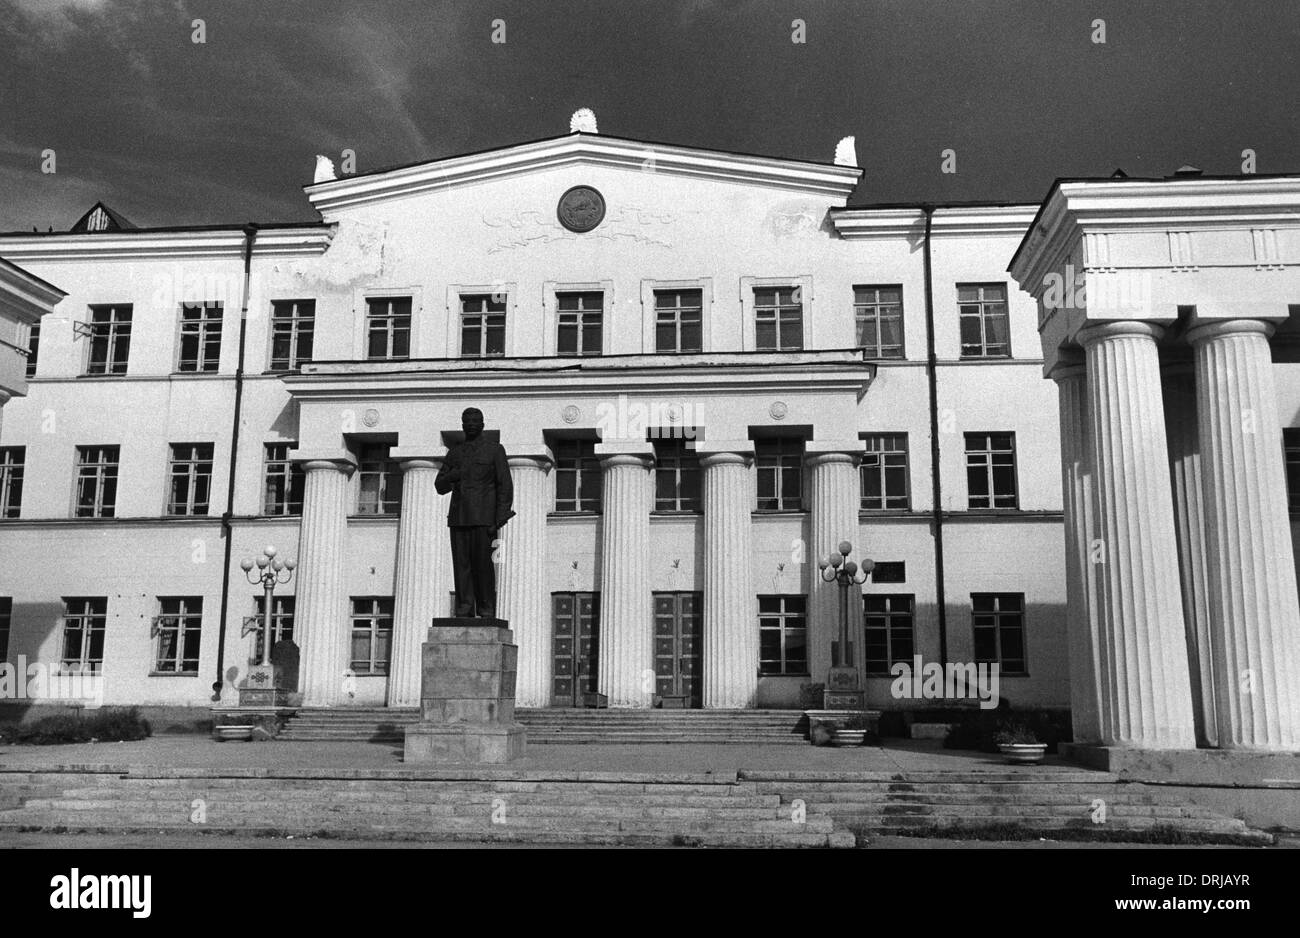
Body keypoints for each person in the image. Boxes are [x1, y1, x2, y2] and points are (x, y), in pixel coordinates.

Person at [434, 407, 515, 617]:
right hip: (459, 518)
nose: (470, 424)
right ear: (462, 425)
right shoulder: (455, 453)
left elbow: (504, 484)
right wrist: (454, 475)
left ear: (482, 424)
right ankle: (464, 607)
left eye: (475, 421)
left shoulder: (494, 450)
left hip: (484, 519)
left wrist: (499, 516)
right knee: (461, 567)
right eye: (467, 421)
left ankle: (486, 608)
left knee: (484, 566)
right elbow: (440, 486)